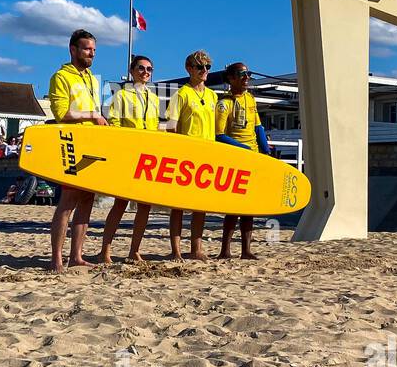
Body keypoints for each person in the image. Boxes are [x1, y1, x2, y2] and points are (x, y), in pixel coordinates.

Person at [47, 28, 108, 271]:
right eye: (86, 49)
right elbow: (62, 113)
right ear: (73, 49)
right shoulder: (61, 77)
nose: (91, 53)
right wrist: (93, 115)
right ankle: (56, 259)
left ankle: (77, 256)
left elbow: (93, 111)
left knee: (87, 200)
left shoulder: (93, 78)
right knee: (68, 202)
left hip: (91, 143)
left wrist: (100, 119)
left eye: (93, 50)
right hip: (71, 143)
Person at [98, 54, 159, 264]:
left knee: (144, 206)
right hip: (128, 154)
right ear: (132, 71)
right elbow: (114, 124)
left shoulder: (155, 98)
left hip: (148, 156)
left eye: (149, 69)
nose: (145, 73)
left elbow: (155, 128)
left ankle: (134, 250)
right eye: (141, 68)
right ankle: (105, 250)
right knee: (120, 204)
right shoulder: (121, 96)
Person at [165, 50, 218, 261]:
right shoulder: (181, 94)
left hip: (207, 155)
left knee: (200, 206)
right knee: (178, 205)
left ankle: (196, 248)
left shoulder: (213, 95)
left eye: (208, 67)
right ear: (189, 69)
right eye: (200, 67)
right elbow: (170, 126)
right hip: (186, 156)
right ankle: (176, 250)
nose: (204, 71)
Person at [216, 62, 270, 260]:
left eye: (248, 74)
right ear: (230, 79)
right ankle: (225, 250)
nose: (246, 77)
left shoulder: (250, 99)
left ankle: (246, 250)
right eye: (241, 74)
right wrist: (243, 149)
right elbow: (219, 134)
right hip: (236, 158)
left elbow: (258, 126)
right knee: (234, 207)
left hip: (252, 158)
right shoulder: (224, 104)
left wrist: (264, 148)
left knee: (249, 208)